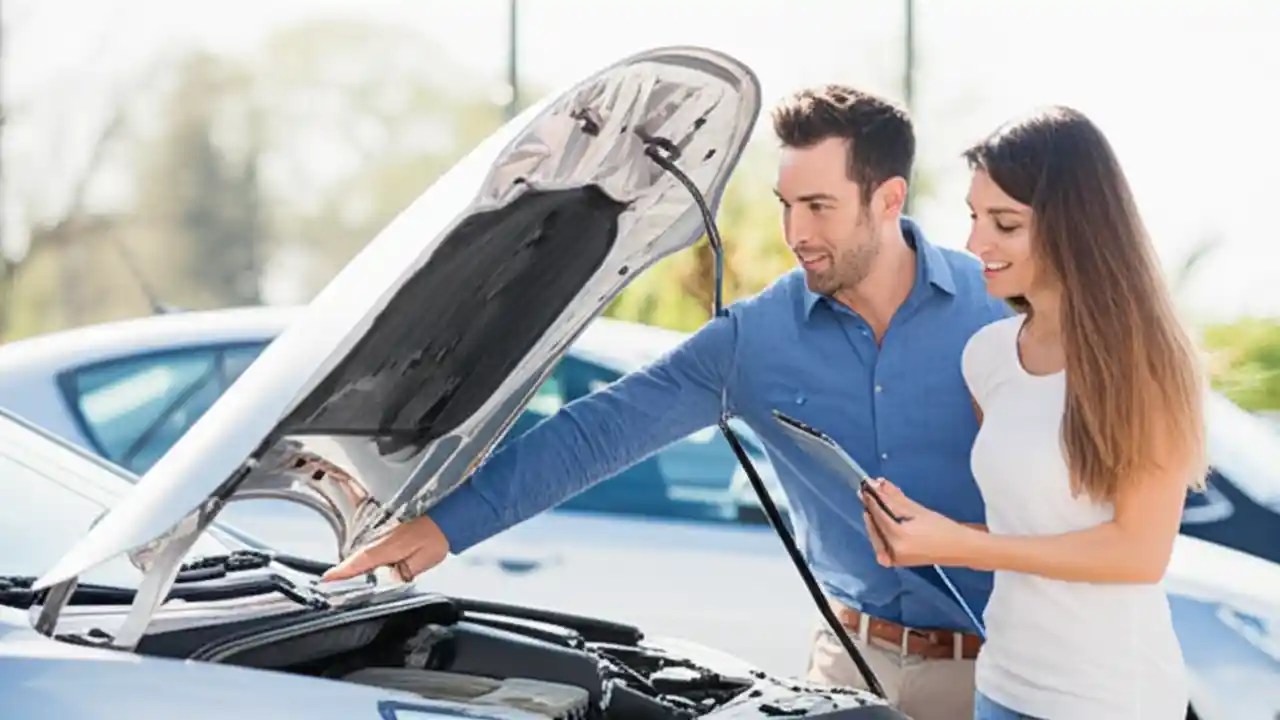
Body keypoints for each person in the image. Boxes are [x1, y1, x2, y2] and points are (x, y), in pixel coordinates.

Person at [324, 84, 1012, 719]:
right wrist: (441, 529)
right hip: (848, 667)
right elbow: (601, 431)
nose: (795, 233)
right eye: (786, 205)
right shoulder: (758, 339)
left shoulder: (999, 312)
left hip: (997, 669)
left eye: (819, 207)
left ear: (888, 200)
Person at [861, 106, 1207, 720]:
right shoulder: (988, 357)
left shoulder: (1147, 363)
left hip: (1111, 700)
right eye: (974, 217)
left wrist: (962, 547)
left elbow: (1137, 553)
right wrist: (928, 533)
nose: (975, 243)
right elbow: (1031, 526)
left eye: (1005, 223)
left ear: (1074, 225)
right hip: (1004, 687)